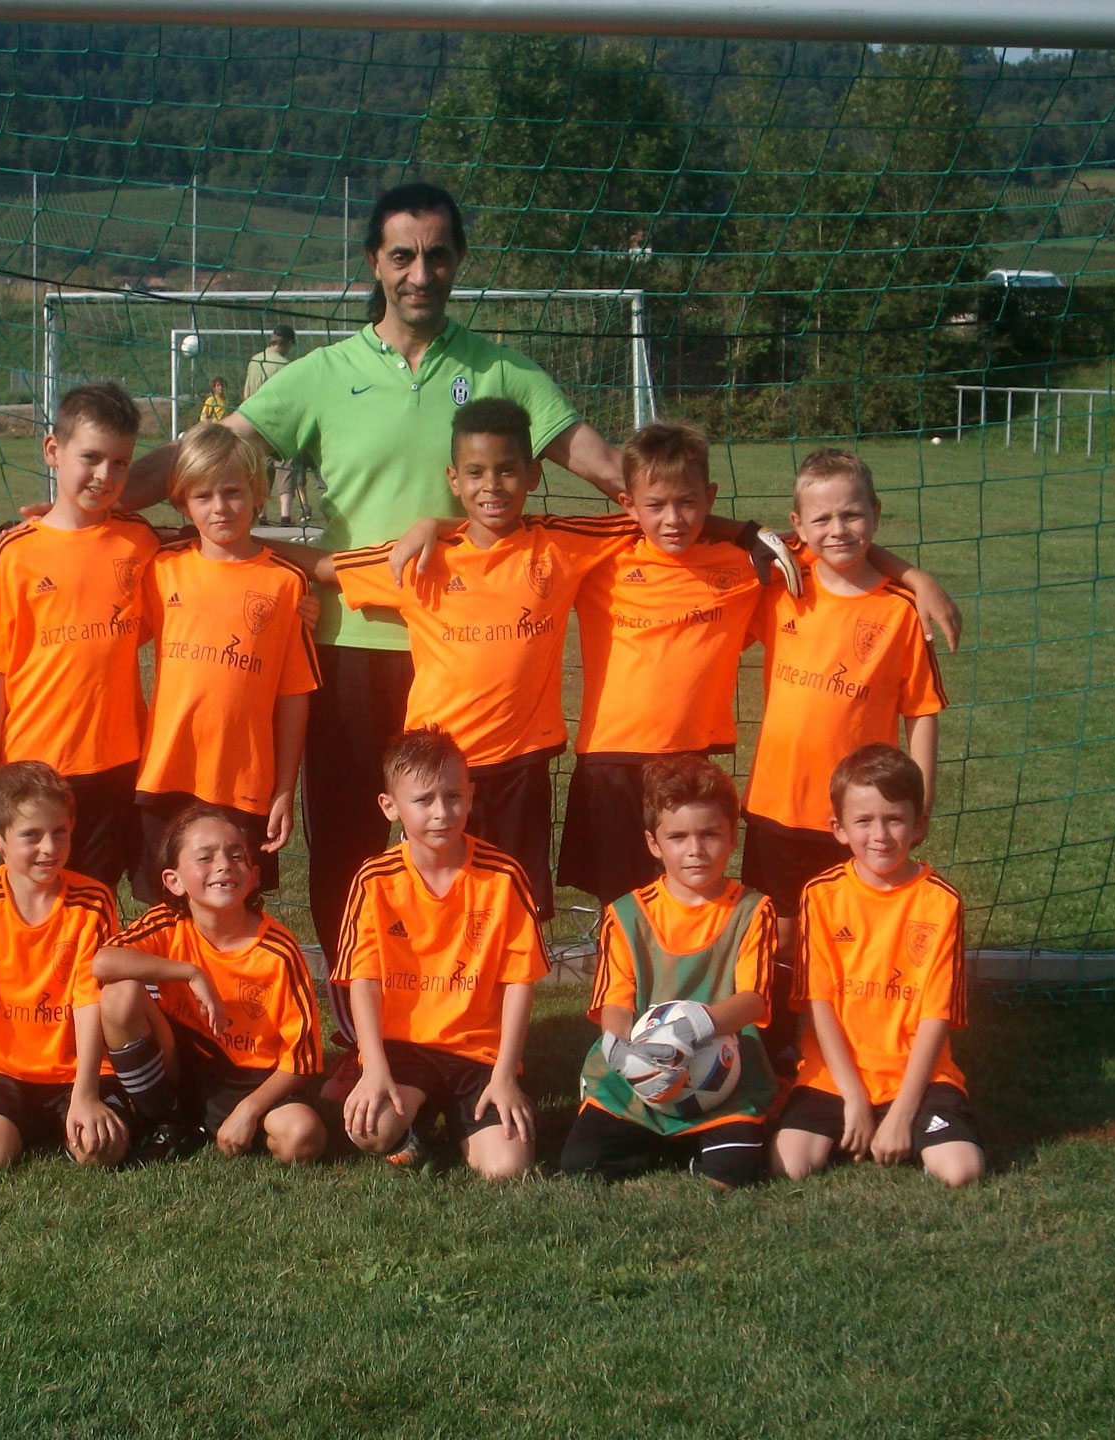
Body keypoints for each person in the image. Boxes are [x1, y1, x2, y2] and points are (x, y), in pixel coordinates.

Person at [111, 184, 907, 1007]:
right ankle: (358, 1019)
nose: (421, 272)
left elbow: (621, 477)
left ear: (457, 261)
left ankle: (472, 1014)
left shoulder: (503, 371)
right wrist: (92, 503)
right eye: (402, 256)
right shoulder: (319, 375)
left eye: (437, 255)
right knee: (350, 846)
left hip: (469, 676)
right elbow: (197, 459)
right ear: (374, 264)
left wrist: (734, 528)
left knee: (473, 858)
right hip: (355, 647)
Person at [271, 397, 636, 914]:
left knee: (513, 912)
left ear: (533, 475)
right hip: (435, 772)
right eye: (476, 472)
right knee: (434, 909)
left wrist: (749, 535)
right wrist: (239, 543)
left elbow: (654, 515)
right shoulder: (423, 558)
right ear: (453, 478)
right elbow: (329, 567)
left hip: (519, 768)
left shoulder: (561, 544)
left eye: (508, 471)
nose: (492, 486)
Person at [743, 448, 947, 1072]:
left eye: (853, 515)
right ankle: (773, 1039)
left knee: (845, 930)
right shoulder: (781, 587)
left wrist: (921, 803)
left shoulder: (897, 613)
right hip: (776, 800)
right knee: (774, 931)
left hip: (859, 815)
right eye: (822, 519)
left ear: (876, 516)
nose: (838, 531)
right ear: (797, 526)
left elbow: (923, 714)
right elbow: (731, 552)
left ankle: (848, 1043)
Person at [556, 420, 765, 908]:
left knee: (685, 896)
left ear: (709, 498)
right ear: (628, 504)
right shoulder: (599, 560)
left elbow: (819, 550)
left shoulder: (740, 567)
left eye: (688, 503)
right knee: (623, 906)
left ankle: (681, 986)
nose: (673, 519)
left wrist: (914, 580)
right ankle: (618, 984)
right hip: (611, 761)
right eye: (655, 505)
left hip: (689, 760)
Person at [330, 726, 544, 1180]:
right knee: (370, 1131)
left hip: (477, 1053)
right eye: (423, 800)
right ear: (391, 808)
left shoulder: (503, 876)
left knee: (506, 1169)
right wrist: (373, 1069)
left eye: (452, 796)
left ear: (470, 794)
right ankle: (415, 1121)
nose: (441, 813)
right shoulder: (374, 880)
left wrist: (506, 1075)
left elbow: (519, 982)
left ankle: (461, 1119)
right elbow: (363, 982)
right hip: (404, 1048)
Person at [0, 381, 157, 891]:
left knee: (96, 900)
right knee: (41, 898)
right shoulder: (17, 554)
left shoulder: (139, 542)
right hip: (38, 767)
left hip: (120, 762)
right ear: (53, 451)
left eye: (121, 463)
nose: (105, 475)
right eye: (91, 457)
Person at [771, 744, 983, 1188]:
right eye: (864, 821)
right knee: (789, 1163)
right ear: (839, 829)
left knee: (963, 1171)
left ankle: (906, 1129)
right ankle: (852, 1120)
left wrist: (902, 1114)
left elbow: (936, 1015)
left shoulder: (941, 902)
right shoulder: (821, 896)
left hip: (917, 1078)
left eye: (894, 819)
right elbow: (819, 1004)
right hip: (836, 1074)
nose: (880, 835)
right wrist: (853, 1098)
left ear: (918, 824)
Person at [561, 755, 778, 1188]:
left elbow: (755, 999)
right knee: (580, 1164)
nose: (695, 849)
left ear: (732, 836)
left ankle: (689, 1147)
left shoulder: (753, 910)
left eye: (710, 834)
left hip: (724, 1071)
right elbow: (615, 1003)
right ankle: (660, 1137)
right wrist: (626, 1053)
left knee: (734, 1172)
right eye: (677, 837)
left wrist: (693, 1028)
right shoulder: (626, 913)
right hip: (642, 1072)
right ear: (653, 843)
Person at [133, 421, 319, 910]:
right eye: (203, 496)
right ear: (181, 503)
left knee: (234, 916)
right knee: (165, 916)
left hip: (244, 785)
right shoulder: (162, 570)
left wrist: (284, 789)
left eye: (233, 491)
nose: (220, 508)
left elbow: (293, 695)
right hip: (165, 773)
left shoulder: (285, 584)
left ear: (258, 493)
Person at [0, 761, 132, 1170]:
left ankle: (77, 1116)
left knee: (101, 1154)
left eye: (60, 833)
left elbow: (91, 1004)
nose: (49, 848)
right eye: (31, 836)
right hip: (7, 1074)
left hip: (77, 1074)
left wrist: (85, 1094)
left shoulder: (93, 901)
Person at [92, 804, 326, 1164]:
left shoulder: (278, 952)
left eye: (236, 856)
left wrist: (249, 1110)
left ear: (253, 877)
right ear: (174, 881)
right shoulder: (167, 922)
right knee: (119, 992)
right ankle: (164, 1120)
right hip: (182, 1065)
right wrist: (190, 973)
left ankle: (230, 1121)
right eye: (205, 857)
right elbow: (103, 962)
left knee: (302, 1137)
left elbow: (303, 1060)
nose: (223, 865)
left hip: (252, 1080)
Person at [242, 323, 295, 403]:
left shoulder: (255, 359)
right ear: (289, 343)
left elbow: (246, 393)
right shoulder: (285, 365)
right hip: (271, 412)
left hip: (251, 410)